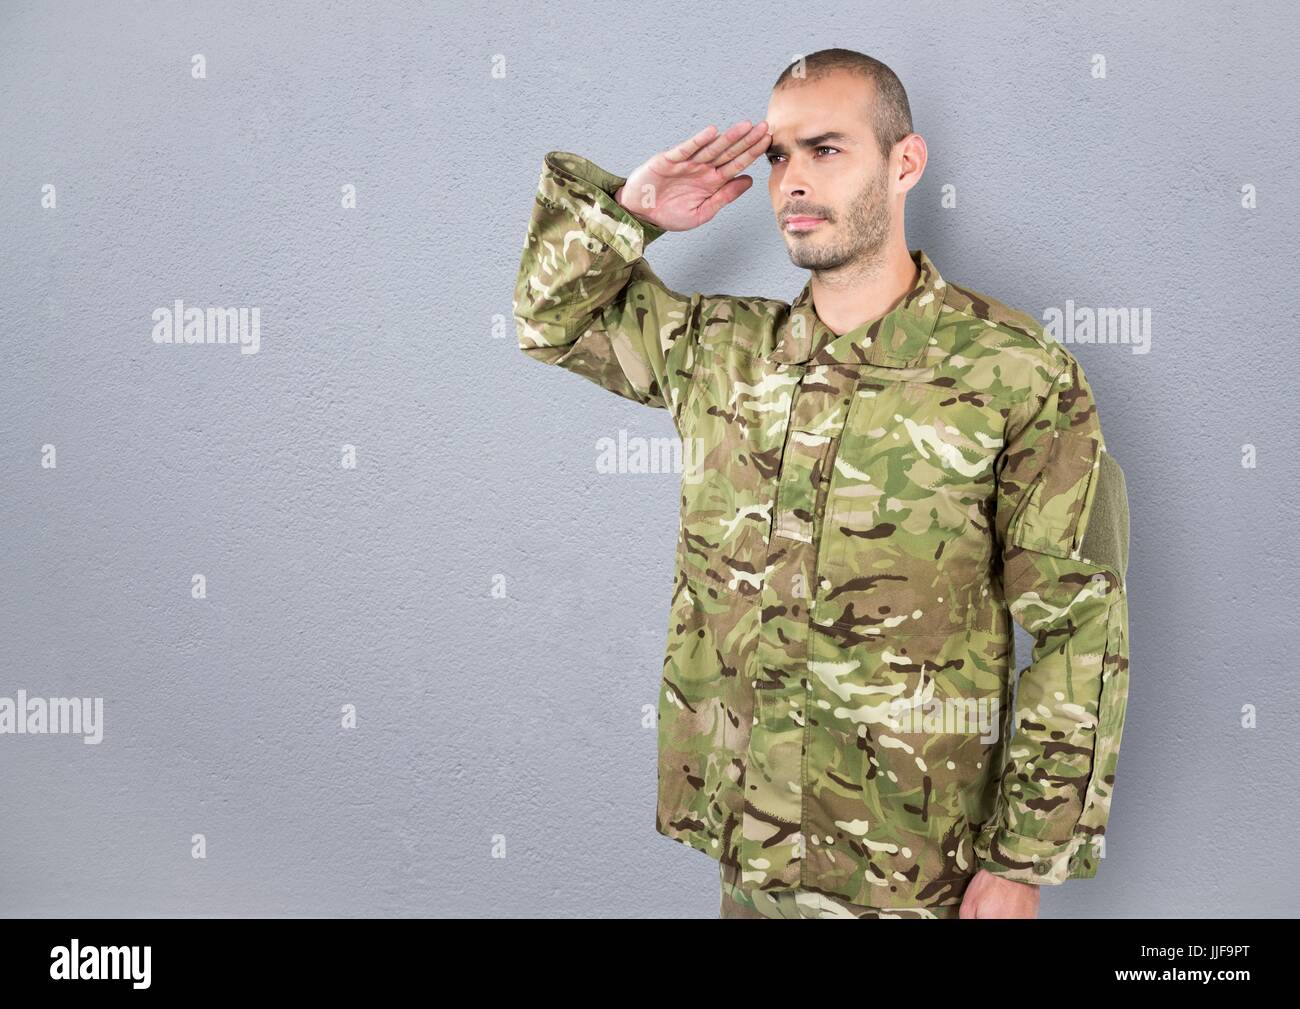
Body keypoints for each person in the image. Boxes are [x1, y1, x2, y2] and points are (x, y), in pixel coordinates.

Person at [512, 48, 1130, 919]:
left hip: (923, 871)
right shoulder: (718, 352)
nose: (792, 181)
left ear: (904, 162)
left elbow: (1079, 627)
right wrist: (629, 214)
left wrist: (1023, 857)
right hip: (755, 856)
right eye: (778, 156)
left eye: (826, 150)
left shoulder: (1014, 372)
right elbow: (551, 318)